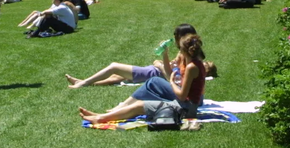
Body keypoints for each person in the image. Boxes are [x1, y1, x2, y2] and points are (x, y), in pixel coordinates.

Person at [78, 34, 208, 123]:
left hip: (186, 109)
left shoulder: (192, 67)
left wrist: (173, 81)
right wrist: (165, 56)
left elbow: (181, 95)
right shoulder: (191, 63)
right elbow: (172, 77)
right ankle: (112, 112)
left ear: (185, 51)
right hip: (185, 102)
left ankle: (101, 118)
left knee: (139, 106)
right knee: (154, 81)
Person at [66, 23, 197, 88]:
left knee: (114, 67)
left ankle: (83, 83)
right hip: (152, 71)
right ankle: (85, 82)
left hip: (151, 74)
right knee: (116, 76)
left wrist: (161, 62)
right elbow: (174, 67)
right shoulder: (185, 52)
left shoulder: (186, 55)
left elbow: (172, 77)